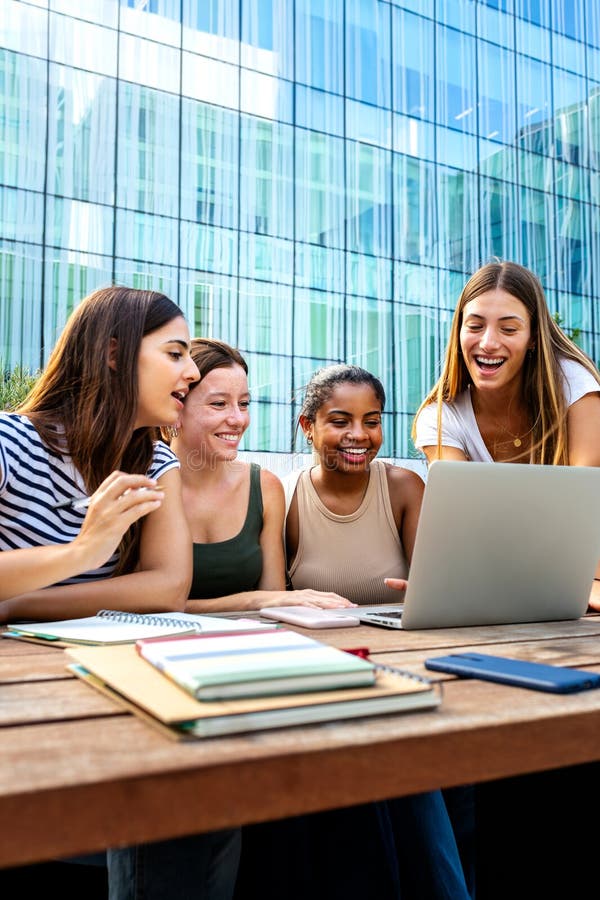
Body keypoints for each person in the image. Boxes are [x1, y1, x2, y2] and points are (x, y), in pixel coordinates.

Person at [233, 364, 472, 900]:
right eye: (340, 421)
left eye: (371, 421)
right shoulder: (288, 500)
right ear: (307, 427)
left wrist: (430, 586)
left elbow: (443, 585)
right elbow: (276, 597)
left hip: (403, 666)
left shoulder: (405, 487)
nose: (358, 435)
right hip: (318, 676)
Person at [0, 285, 199, 624]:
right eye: (175, 354)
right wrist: (81, 552)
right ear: (113, 354)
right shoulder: (10, 441)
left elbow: (168, 588)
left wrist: (14, 605)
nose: (193, 373)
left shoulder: (157, 465)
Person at [168, 337, 353, 612]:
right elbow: (138, 607)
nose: (238, 419)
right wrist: (249, 600)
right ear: (176, 408)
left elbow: (274, 602)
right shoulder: (142, 483)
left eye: (243, 404)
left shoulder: (264, 487)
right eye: (219, 404)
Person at [412, 259, 600, 467]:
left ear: (534, 337)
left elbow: (587, 491)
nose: (488, 343)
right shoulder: (441, 419)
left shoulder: (572, 382)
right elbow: (460, 498)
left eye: (509, 329)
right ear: (458, 332)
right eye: (475, 326)